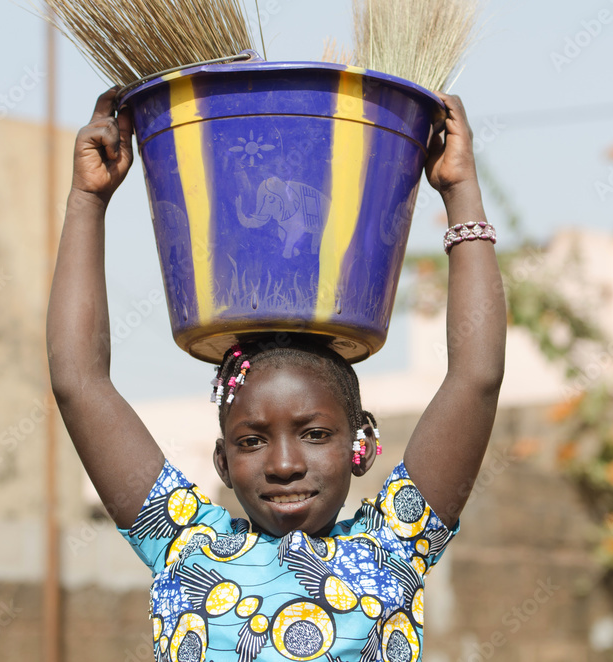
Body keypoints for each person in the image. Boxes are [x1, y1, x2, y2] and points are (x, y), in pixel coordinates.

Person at [46, 86, 506, 662]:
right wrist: (87, 202)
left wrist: (461, 191)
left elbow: (476, 379)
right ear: (221, 462)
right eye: (252, 440)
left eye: (315, 433)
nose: (285, 465)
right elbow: (78, 383)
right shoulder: (186, 547)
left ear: (361, 442)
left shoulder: (393, 545)